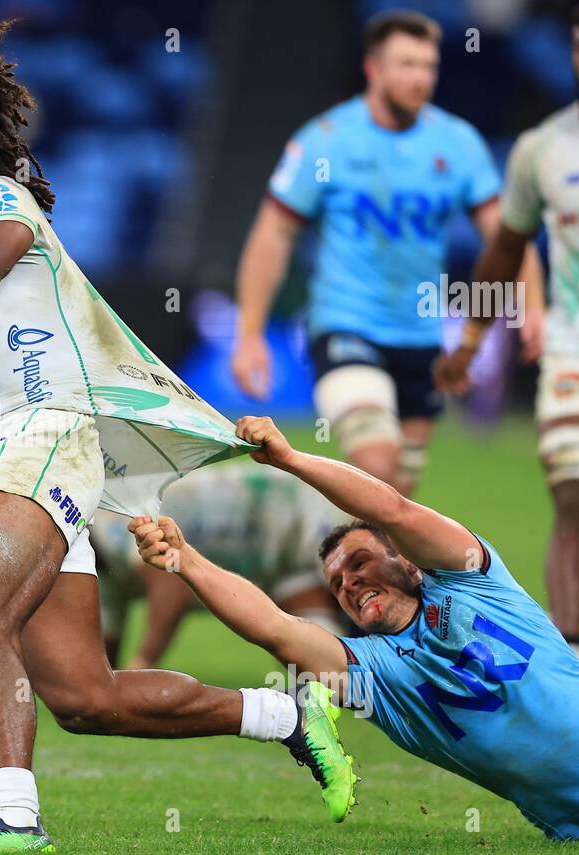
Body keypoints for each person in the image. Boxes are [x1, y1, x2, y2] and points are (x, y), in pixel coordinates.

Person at [0, 21, 358, 853]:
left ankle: (13, 820)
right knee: (84, 696)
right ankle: (286, 715)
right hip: (17, 449)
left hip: (47, 442)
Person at [133, 415, 579, 843]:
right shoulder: (379, 678)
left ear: (407, 562)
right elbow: (275, 628)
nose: (349, 581)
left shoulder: (472, 579)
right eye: (337, 581)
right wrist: (187, 561)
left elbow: (392, 508)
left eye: (361, 562)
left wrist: (293, 460)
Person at [436, 0, 579, 678]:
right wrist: (473, 336)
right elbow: (504, 249)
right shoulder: (543, 149)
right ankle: (572, 667)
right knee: (577, 492)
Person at [232, 8, 544, 497]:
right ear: (373, 69)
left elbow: (507, 236)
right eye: (407, 64)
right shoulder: (326, 141)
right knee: (378, 463)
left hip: (421, 336)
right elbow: (274, 234)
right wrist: (250, 331)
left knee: (396, 497)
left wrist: (534, 304)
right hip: (345, 324)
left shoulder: (457, 143)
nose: (421, 78)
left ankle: (339, 567)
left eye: (428, 65)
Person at [90, 462, 344, 669]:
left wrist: (142, 664)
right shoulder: (98, 572)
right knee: (323, 667)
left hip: (293, 510)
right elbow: (101, 660)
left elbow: (171, 590)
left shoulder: (113, 521)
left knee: (354, 595)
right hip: (265, 558)